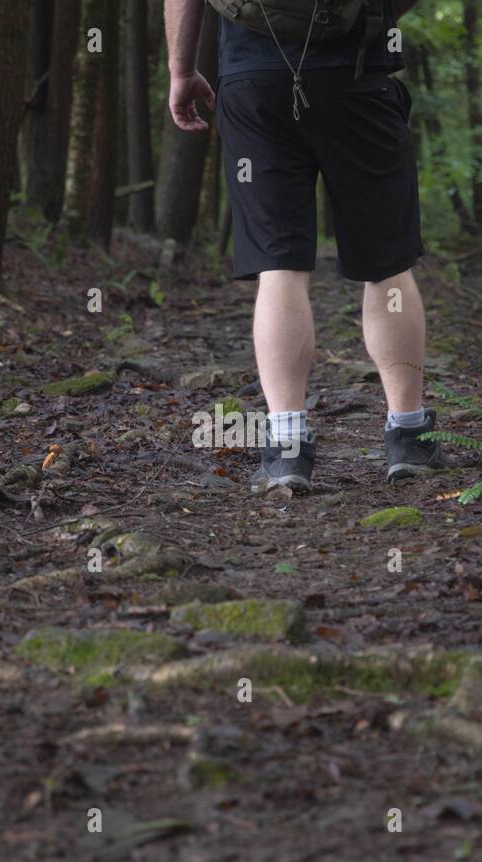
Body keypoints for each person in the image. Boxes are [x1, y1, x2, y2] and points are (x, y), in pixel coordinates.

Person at [164, 0, 452, 494]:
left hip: (252, 80)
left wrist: (182, 69)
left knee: (279, 268)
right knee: (387, 267)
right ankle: (408, 435)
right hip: (358, 77)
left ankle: (288, 448)